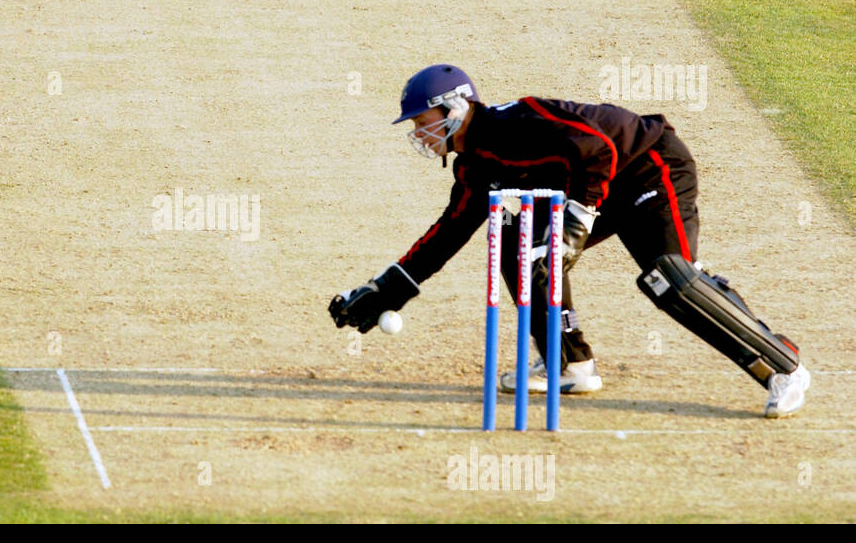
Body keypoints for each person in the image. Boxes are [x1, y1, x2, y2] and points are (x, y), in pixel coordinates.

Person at [328, 64, 809, 418]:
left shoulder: (518, 122)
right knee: (521, 248)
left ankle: (783, 365)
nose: (420, 132)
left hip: (646, 166)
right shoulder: (474, 166)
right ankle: (568, 365)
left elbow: (597, 149)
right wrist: (385, 289)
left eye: (422, 120)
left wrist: (575, 227)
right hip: (592, 192)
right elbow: (447, 233)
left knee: (670, 278)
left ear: (453, 107)